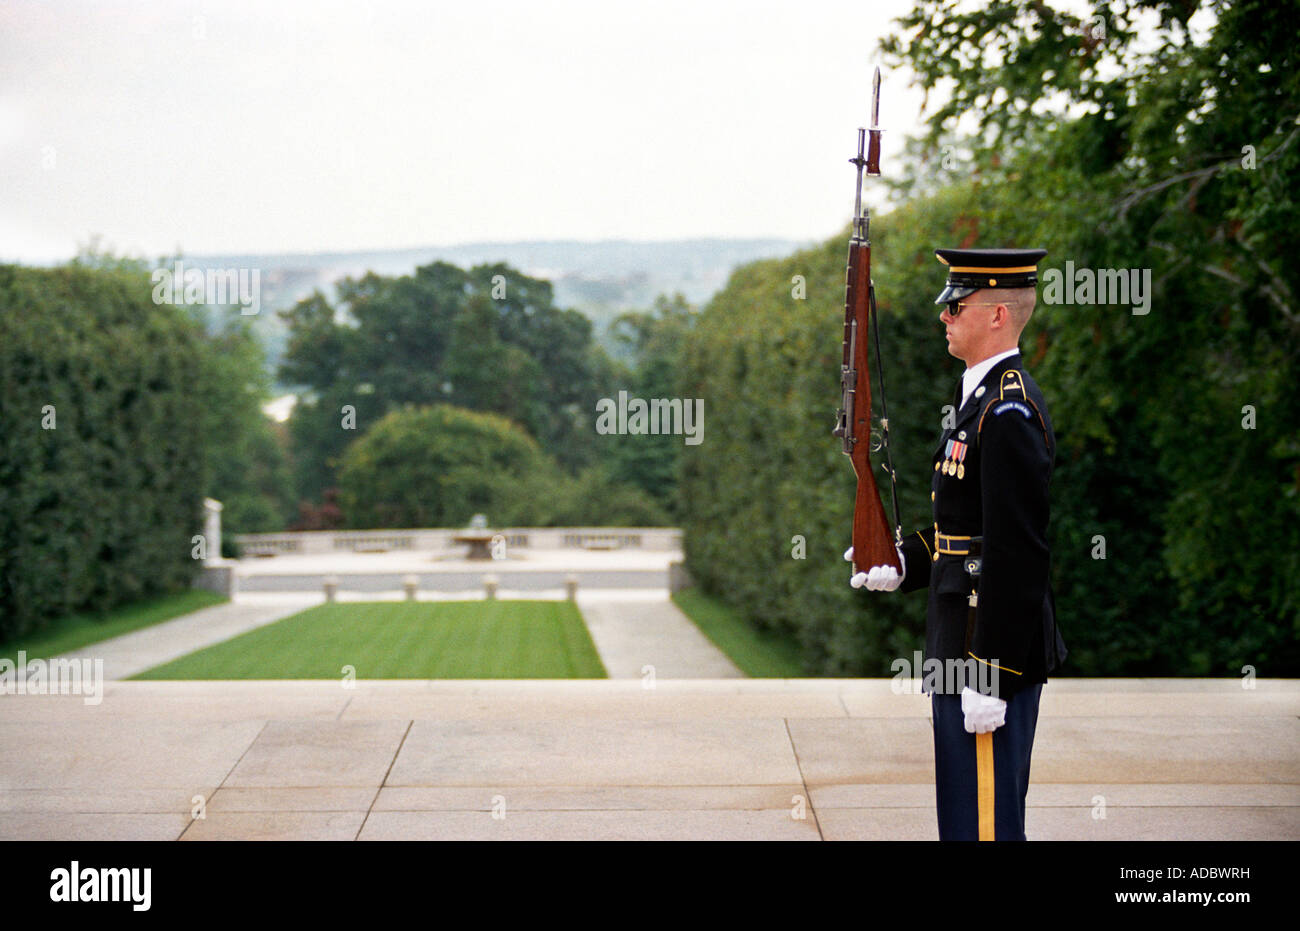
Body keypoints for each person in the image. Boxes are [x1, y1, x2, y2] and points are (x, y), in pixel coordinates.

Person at [847, 247, 1067, 841]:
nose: (944, 317)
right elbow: (966, 526)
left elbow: (1016, 553)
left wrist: (989, 673)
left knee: (986, 828)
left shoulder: (1008, 409)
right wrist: (903, 560)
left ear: (997, 314)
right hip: (958, 644)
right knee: (963, 823)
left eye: (956, 306)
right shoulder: (980, 398)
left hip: (986, 655)